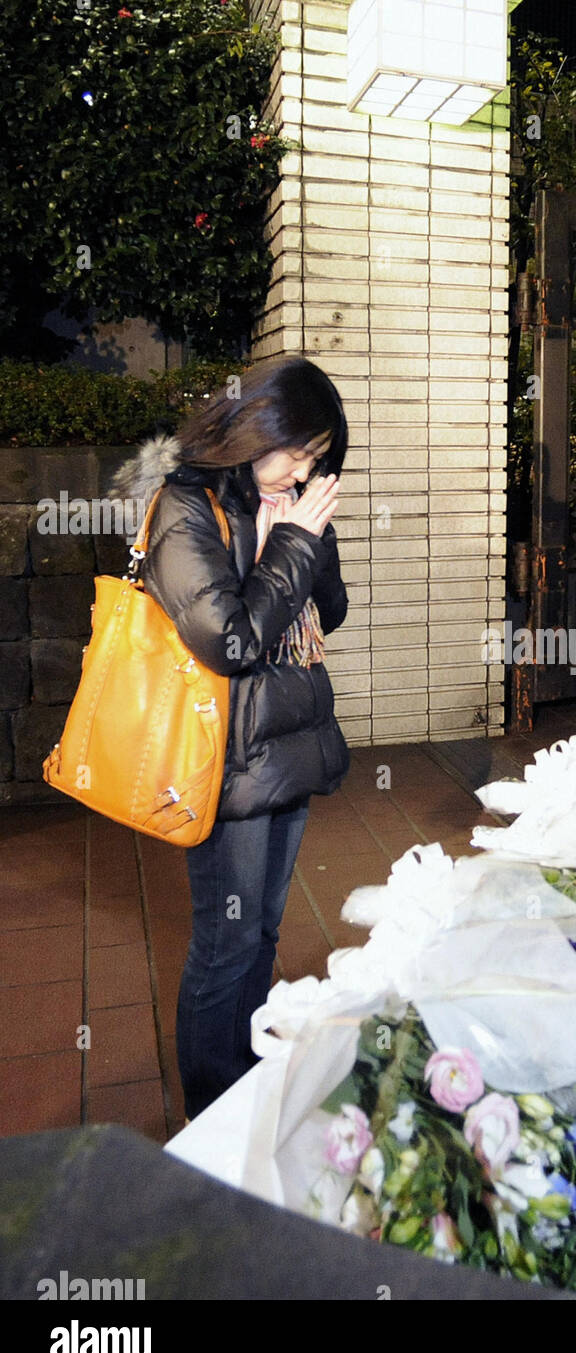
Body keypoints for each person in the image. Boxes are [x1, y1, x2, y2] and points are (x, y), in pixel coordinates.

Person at [112, 356, 350, 1120]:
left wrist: (308, 540)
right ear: (251, 428)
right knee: (225, 945)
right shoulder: (188, 507)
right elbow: (231, 641)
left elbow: (331, 612)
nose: (302, 469)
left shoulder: (283, 501)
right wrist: (285, 551)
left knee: (266, 931)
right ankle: (212, 1117)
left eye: (318, 457)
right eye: (296, 450)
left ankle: (251, 1081)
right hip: (223, 762)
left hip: (286, 747)